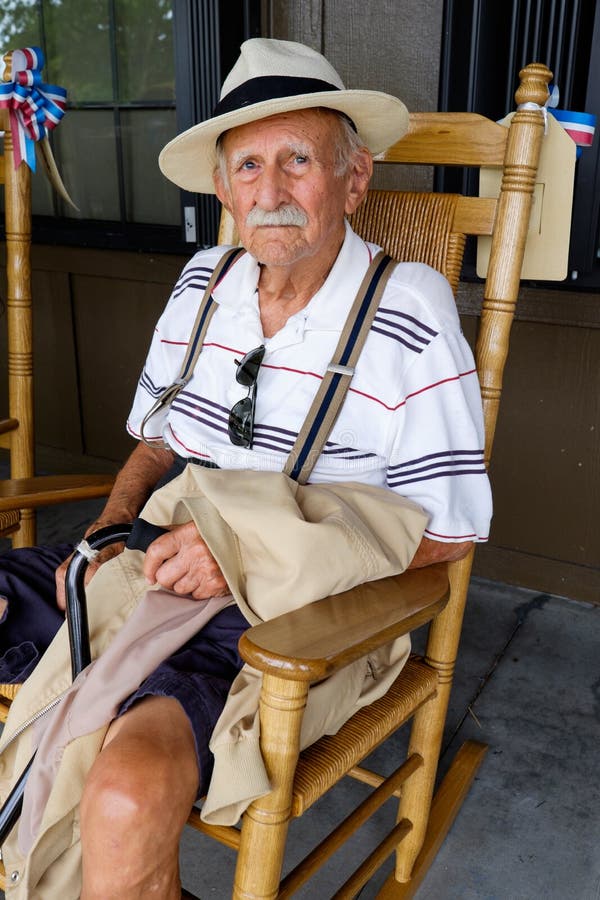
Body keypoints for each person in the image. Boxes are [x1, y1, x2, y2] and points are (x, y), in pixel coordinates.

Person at [0, 38, 491, 899]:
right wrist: (113, 528)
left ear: (353, 178)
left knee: (123, 795)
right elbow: (157, 444)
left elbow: (447, 534)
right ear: (223, 191)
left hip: (292, 621)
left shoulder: (407, 306)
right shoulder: (203, 282)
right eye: (249, 167)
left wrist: (246, 554)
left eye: (299, 159)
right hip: (143, 566)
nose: (271, 191)